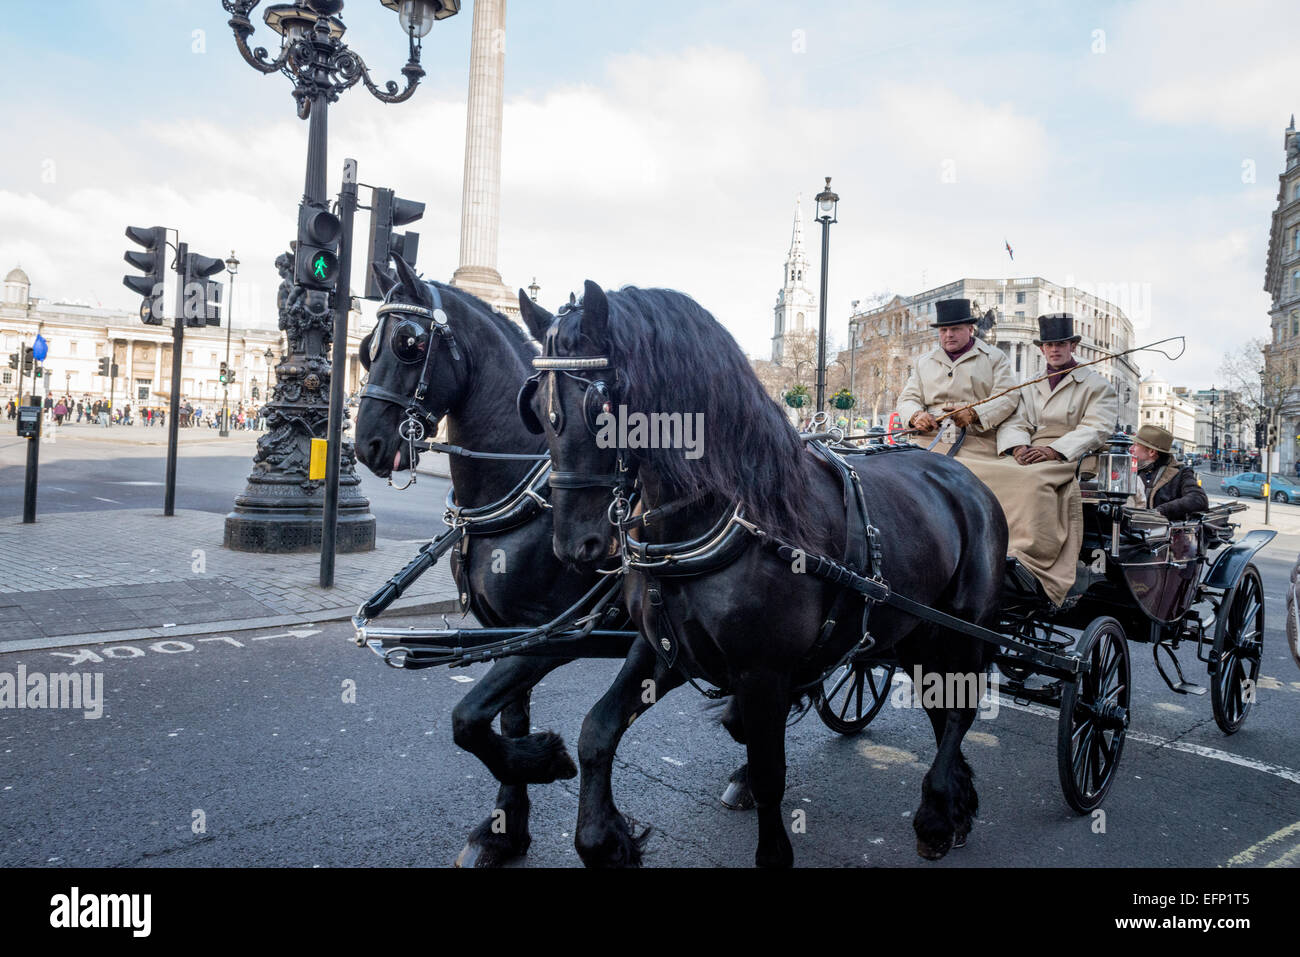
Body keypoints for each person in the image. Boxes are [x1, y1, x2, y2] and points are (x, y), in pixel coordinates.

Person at [987, 314, 1118, 606]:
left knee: (1030, 480)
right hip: (1030, 451)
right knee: (991, 472)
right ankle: (989, 543)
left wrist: (1054, 450)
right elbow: (1015, 421)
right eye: (1048, 345)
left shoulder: (1096, 385)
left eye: (1060, 344)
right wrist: (1018, 447)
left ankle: (1028, 553)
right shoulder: (1031, 384)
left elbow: (1096, 427)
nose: (1054, 350)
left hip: (1072, 455)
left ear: (1072, 346)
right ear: (1042, 349)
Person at [896, 298, 1019, 462]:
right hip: (928, 441)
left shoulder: (995, 358)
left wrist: (975, 413)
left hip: (977, 442)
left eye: (955, 329)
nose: (949, 335)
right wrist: (915, 415)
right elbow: (908, 399)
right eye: (944, 330)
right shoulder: (923, 362)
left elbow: (1008, 396)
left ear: (970, 329)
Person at [1128, 425, 1209, 520]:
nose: (1131, 449)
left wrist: (1160, 511)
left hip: (1163, 532)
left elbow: (1198, 498)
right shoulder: (1130, 469)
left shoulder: (1181, 473)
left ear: (1151, 452)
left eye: (1136, 445)